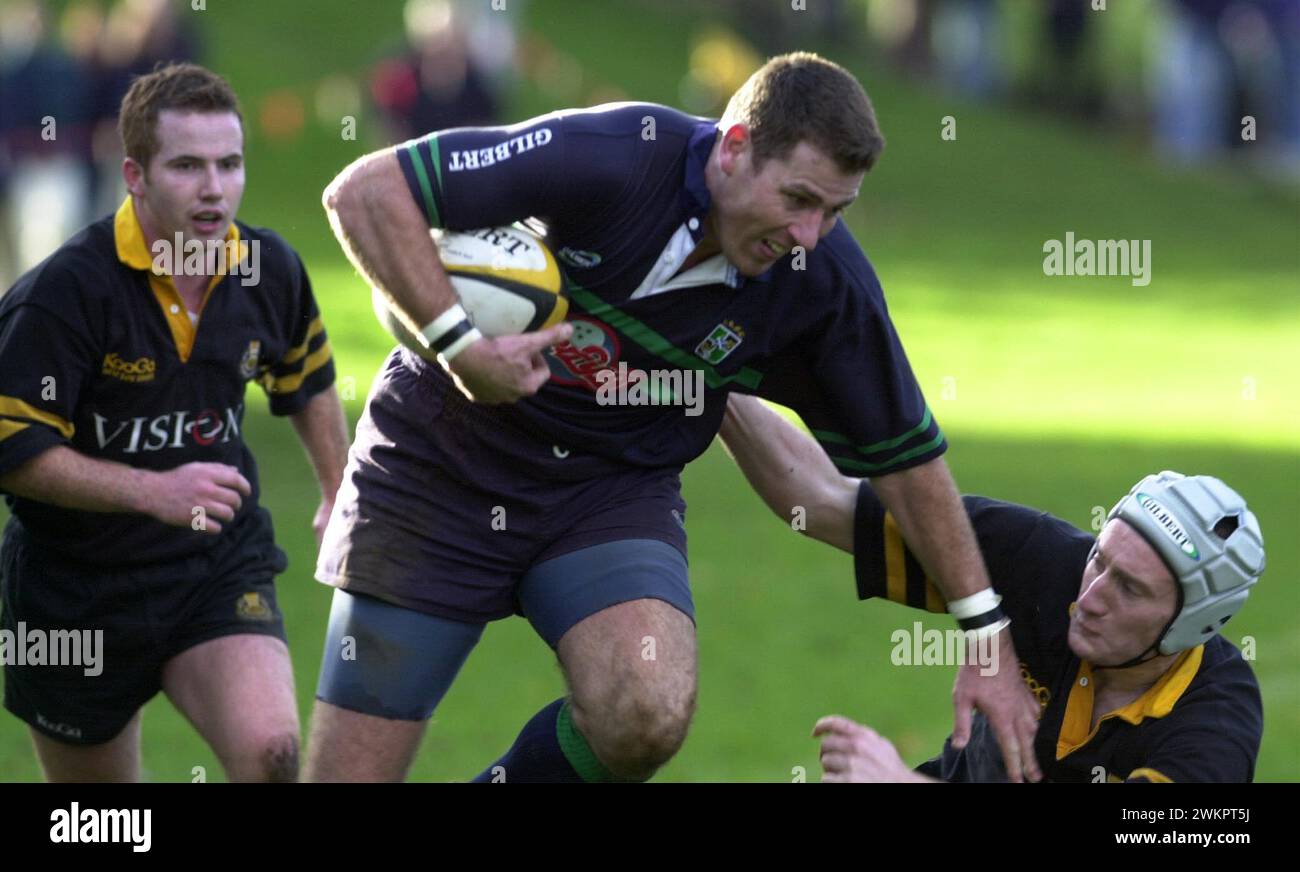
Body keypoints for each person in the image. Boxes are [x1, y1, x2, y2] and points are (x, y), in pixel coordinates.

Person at [310, 51, 1040, 783]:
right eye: (798, 199)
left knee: (647, 711)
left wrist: (986, 635)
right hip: (441, 456)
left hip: (609, 489)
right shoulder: (614, 158)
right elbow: (366, 192)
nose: (810, 234)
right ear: (733, 150)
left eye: (834, 211)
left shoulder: (822, 285)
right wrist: (461, 347)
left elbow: (908, 462)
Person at [0, 63, 349, 782]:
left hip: (214, 564)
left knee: (274, 755)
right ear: (135, 174)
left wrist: (338, 491)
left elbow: (307, 378)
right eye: (187, 166)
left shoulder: (265, 267)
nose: (215, 187)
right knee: (103, 826)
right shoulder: (64, 294)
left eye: (230, 163)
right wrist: (153, 492)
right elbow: (12, 447)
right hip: (75, 589)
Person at [719, 394, 1266, 783]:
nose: (1091, 595)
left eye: (1130, 589)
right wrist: (710, 379)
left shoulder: (1216, 722)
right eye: (1099, 559)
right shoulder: (1043, 561)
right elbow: (824, 500)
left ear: (1194, 623)